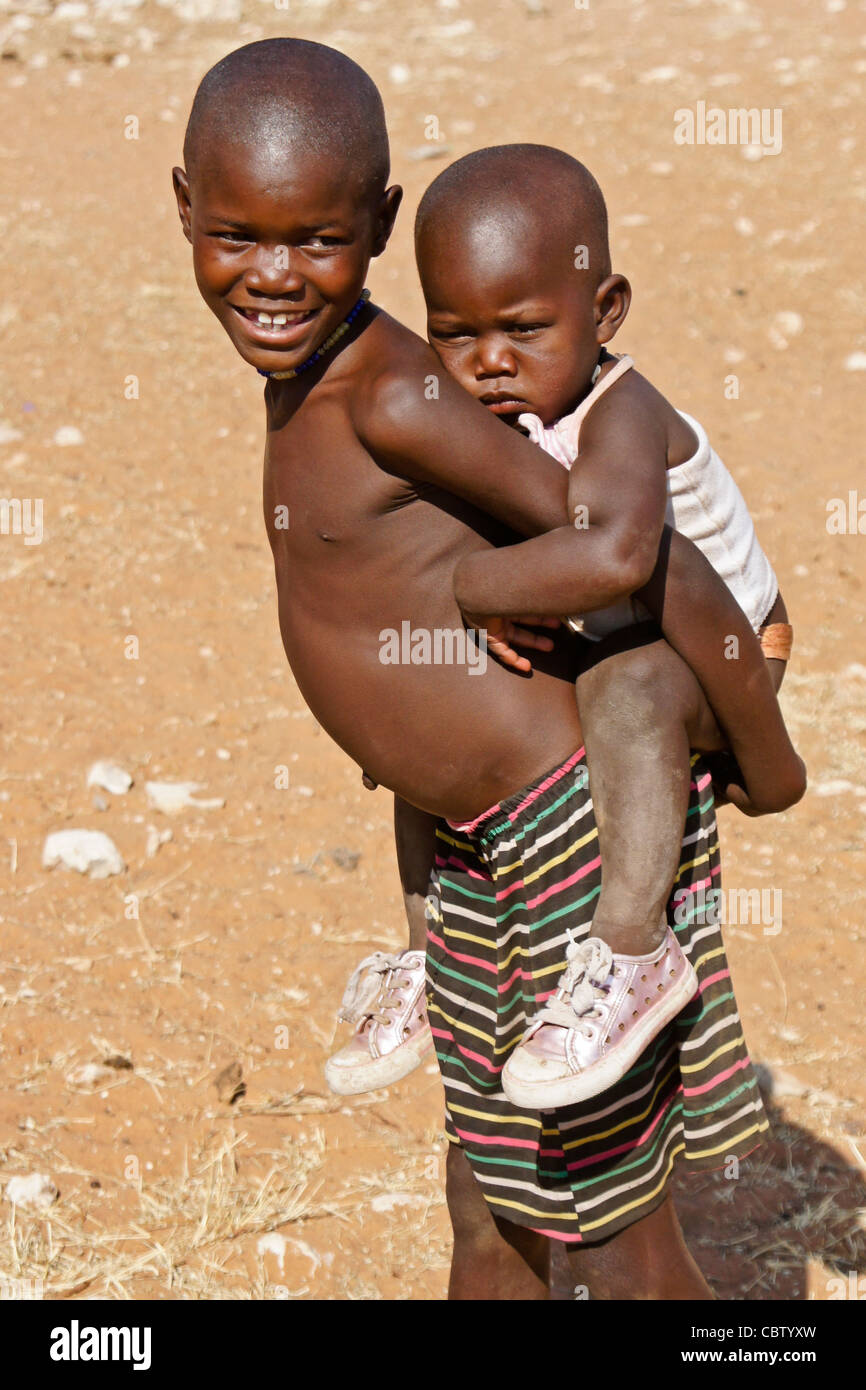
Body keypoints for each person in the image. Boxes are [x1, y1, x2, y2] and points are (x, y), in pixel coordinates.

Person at [173, 39, 804, 1297]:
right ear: (184, 210)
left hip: (569, 833)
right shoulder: (314, 370)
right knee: (486, 1200)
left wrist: (758, 748)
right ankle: (421, 964)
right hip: (474, 847)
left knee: (612, 1231)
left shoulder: (397, 391)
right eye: (238, 237)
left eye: (315, 242)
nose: (273, 278)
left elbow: (640, 556)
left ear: (375, 228)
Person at [328, 144, 801, 1113]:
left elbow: (621, 554)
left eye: (523, 330)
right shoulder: (495, 416)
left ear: (605, 310)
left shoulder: (621, 413)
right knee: (441, 733)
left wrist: (476, 586)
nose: (488, 363)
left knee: (621, 689)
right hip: (608, 624)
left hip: (718, 650)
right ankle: (427, 962)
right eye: (454, 336)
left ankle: (634, 949)